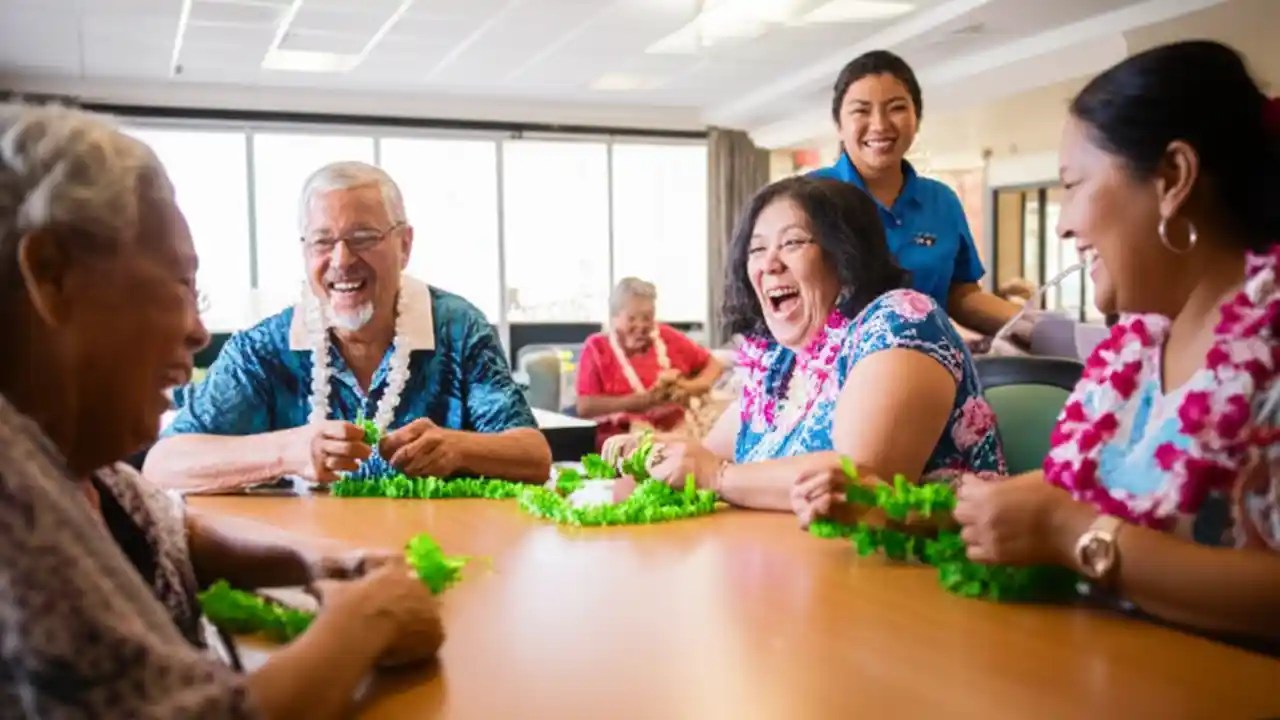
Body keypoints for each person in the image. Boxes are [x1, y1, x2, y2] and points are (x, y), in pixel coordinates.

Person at [0, 103, 443, 717]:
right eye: (179, 284)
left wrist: (320, 559)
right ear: (50, 277)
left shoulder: (69, 461)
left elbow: (169, 527)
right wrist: (366, 621)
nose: (197, 331)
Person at [947, 41, 1280, 644]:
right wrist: (930, 512)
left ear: (1173, 179)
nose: (1064, 223)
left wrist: (1075, 535)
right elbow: (1072, 492)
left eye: (1073, 186)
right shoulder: (1142, 343)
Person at [145, 161, 551, 491]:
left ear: (404, 245)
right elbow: (164, 464)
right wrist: (288, 450)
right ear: (305, 251)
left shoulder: (457, 328)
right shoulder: (265, 348)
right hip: (307, 561)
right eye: (323, 241)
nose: (341, 259)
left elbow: (534, 455)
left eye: (363, 237)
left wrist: (459, 447)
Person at [613, 177, 1005, 515]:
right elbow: (704, 454)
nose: (769, 264)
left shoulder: (901, 320)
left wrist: (719, 477)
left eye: (793, 243)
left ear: (845, 256)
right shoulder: (779, 361)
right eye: (756, 249)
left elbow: (858, 481)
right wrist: (654, 453)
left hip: (923, 580)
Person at [811, 50, 1029, 344]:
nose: (879, 124)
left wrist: (1034, 326)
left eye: (896, 108)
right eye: (861, 111)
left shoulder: (941, 201)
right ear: (839, 124)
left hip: (927, 370)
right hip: (832, 376)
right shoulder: (807, 198)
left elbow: (960, 294)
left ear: (917, 117)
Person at [576, 277, 723, 449]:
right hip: (624, 438)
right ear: (614, 317)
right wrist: (643, 402)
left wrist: (693, 386)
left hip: (682, 429)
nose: (641, 325)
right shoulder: (597, 347)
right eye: (631, 319)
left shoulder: (666, 336)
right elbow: (585, 406)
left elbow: (714, 364)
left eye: (647, 318)